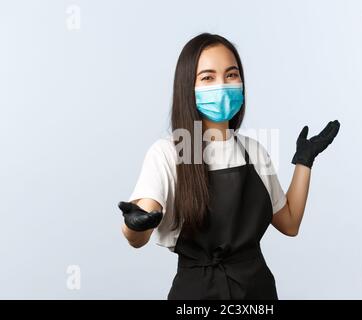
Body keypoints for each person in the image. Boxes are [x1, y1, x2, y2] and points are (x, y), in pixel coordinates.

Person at [118, 33, 340, 300]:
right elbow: (137, 237)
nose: (222, 86)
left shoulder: (254, 152)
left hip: (257, 293)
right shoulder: (168, 153)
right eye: (208, 78)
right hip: (196, 296)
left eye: (231, 75)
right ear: (188, 87)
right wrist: (136, 224)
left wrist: (304, 161)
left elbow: (289, 223)